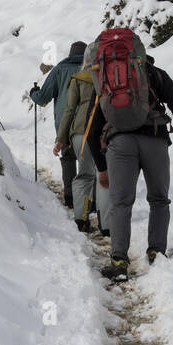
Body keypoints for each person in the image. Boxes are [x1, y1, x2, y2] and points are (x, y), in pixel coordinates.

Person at [87, 28, 173, 280]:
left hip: (119, 143)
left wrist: (101, 167)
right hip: (155, 139)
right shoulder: (154, 74)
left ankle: (119, 260)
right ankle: (156, 251)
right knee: (159, 199)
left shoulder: (106, 80)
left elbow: (92, 128)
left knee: (121, 203)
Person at [55, 60, 110, 237]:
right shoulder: (110, 75)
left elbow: (70, 109)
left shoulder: (78, 78)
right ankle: (105, 223)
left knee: (85, 174)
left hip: (81, 132)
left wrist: (61, 138)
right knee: (103, 174)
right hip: (104, 132)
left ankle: (81, 218)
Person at [30, 41, 87, 207]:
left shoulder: (60, 70)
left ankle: (70, 198)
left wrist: (34, 93)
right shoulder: (93, 69)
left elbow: (42, 99)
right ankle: (90, 201)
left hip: (66, 124)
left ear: (70, 54)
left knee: (68, 158)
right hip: (89, 122)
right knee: (89, 161)